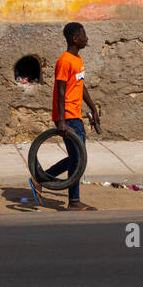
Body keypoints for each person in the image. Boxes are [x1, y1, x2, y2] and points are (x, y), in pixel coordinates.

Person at [32, 22, 100, 211]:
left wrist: (93, 108)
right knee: (78, 159)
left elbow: (80, 86)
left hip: (75, 114)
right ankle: (74, 202)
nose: (87, 38)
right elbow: (60, 91)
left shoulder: (77, 60)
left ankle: (40, 179)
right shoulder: (64, 61)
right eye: (84, 35)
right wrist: (61, 120)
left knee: (75, 158)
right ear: (75, 38)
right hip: (68, 116)